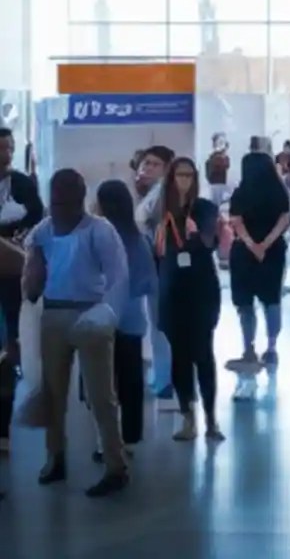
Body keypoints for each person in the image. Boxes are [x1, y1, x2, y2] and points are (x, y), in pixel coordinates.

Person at [24, 169, 131, 497]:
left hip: (91, 312)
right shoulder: (44, 230)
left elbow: (118, 276)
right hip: (54, 313)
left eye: (66, 202)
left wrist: (107, 314)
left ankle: (116, 465)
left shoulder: (100, 230)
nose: (60, 209)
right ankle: (55, 457)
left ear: (81, 200)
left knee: (101, 397)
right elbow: (31, 267)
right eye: (55, 202)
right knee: (53, 394)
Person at [155, 158, 224, 441]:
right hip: (172, 290)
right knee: (179, 357)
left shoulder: (205, 208)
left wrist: (198, 233)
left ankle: (211, 418)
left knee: (203, 354)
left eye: (188, 175)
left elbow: (210, 242)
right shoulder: (162, 211)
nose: (183, 180)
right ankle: (187, 417)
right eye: (178, 175)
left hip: (201, 290)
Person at [94, 180, 155, 457]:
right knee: (130, 380)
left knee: (102, 384)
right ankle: (128, 438)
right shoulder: (137, 239)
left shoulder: (95, 236)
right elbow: (147, 282)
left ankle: (105, 440)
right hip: (129, 321)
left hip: (101, 320)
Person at [0, 127, 43, 455]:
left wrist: (19, 238)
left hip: (12, 268)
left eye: (10, 148)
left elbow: (37, 216)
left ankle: (3, 427)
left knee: (9, 338)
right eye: (2, 148)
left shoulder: (23, 183)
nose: (7, 154)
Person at [228, 152, 290, 369]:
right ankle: (272, 348)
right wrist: (265, 244)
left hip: (243, 253)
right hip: (273, 252)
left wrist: (252, 245)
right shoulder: (278, 191)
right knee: (272, 300)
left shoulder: (240, 192)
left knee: (245, 304)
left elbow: (236, 221)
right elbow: (285, 219)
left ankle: (248, 348)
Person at [133, 145, 175, 401]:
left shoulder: (164, 196)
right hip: (152, 265)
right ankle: (162, 375)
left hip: (162, 265)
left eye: (154, 164)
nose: (147, 168)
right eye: (145, 163)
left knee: (161, 325)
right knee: (157, 324)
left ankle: (165, 379)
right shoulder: (149, 194)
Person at [206, 133, 232, 207]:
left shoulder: (222, 157)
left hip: (220, 183)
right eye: (220, 142)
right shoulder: (215, 157)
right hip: (215, 184)